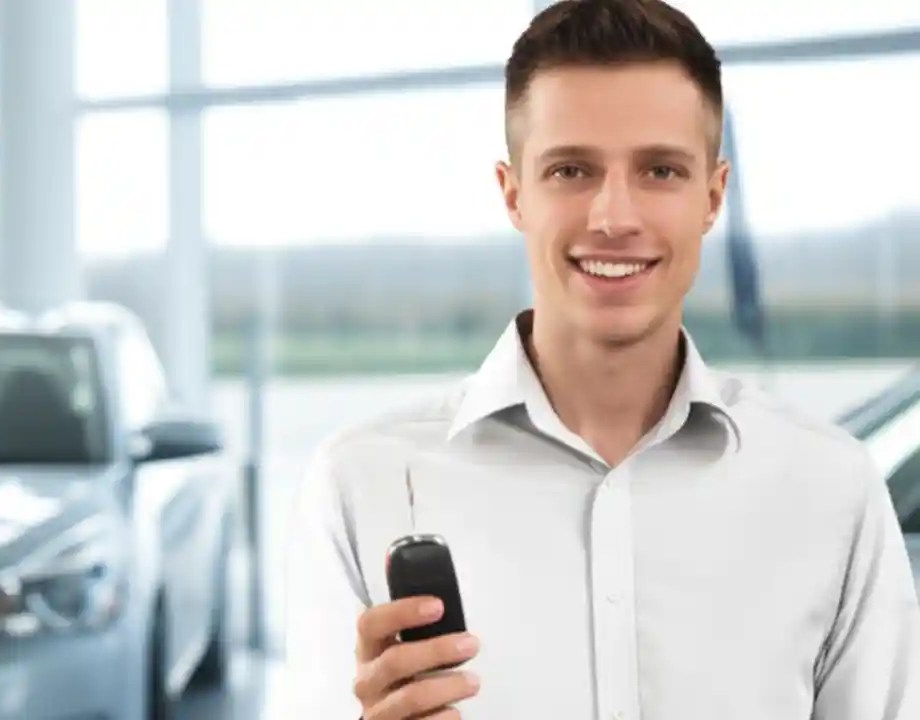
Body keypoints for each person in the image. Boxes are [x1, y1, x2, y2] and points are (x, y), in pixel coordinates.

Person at [279, 0, 920, 718]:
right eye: (572, 170)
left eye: (660, 172)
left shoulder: (832, 491)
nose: (614, 217)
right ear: (513, 192)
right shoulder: (360, 487)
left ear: (713, 196)